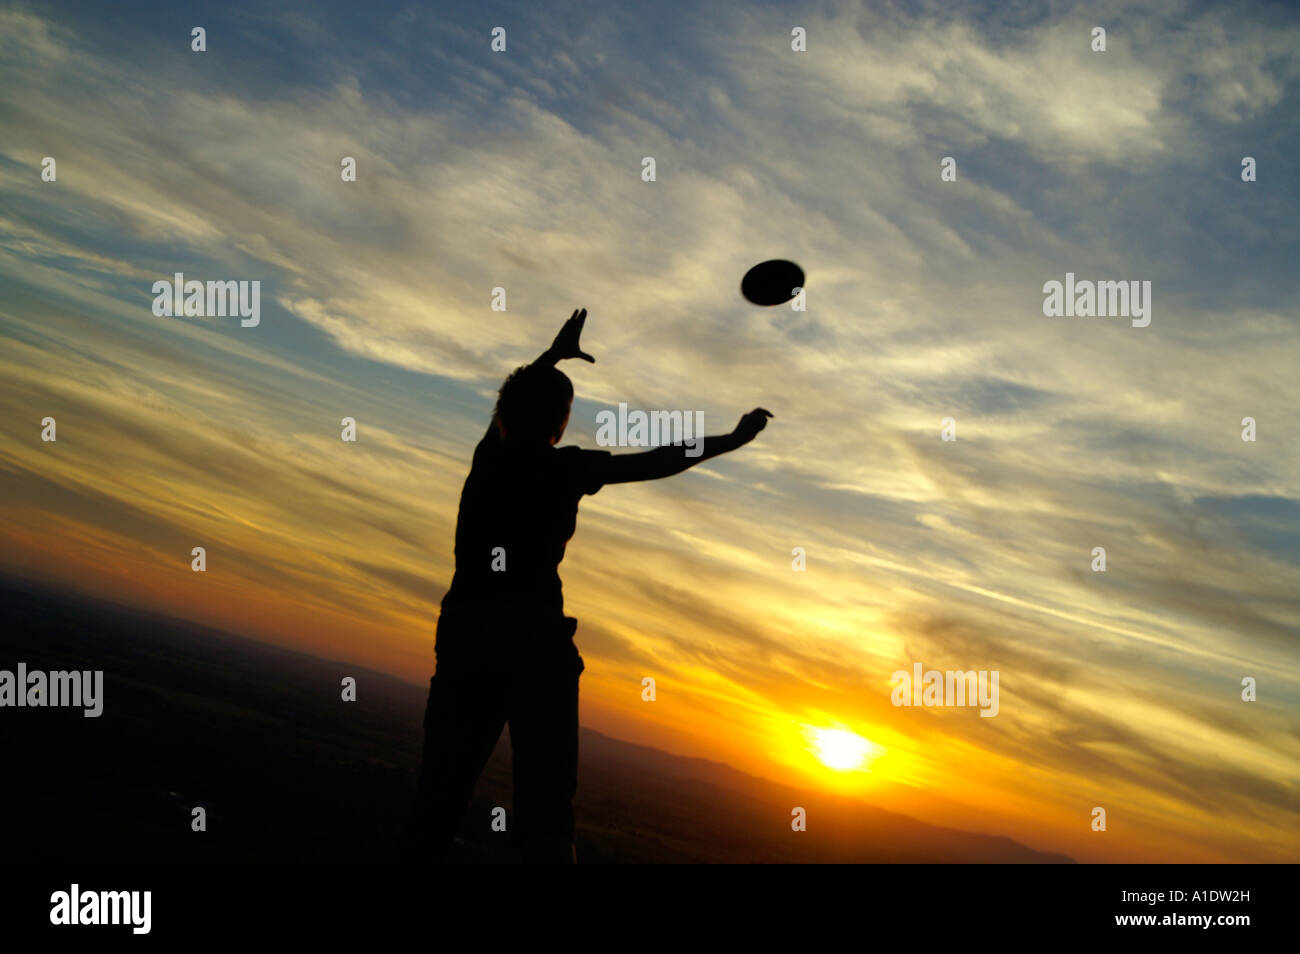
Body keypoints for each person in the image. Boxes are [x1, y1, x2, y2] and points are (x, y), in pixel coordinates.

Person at [402, 308, 771, 863]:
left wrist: (549, 357)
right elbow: (658, 460)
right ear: (558, 423)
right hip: (534, 647)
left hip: (469, 639)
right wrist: (731, 439)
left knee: (439, 799)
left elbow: (513, 405)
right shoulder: (564, 469)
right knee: (547, 815)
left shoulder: (488, 461)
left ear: (504, 413)